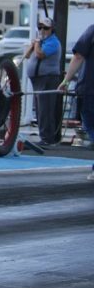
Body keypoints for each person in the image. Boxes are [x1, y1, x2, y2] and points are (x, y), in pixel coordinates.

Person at [59, 22, 94, 180]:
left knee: (91, 126)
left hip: (90, 89)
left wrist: (66, 81)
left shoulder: (92, 30)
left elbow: (78, 56)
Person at [24, 16, 62, 145]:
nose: (42, 30)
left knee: (45, 109)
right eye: (40, 27)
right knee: (40, 109)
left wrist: (37, 45)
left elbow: (40, 54)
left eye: (46, 28)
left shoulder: (53, 42)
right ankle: (44, 136)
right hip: (38, 79)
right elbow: (27, 55)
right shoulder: (40, 42)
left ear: (52, 29)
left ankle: (47, 139)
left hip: (47, 78)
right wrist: (33, 44)